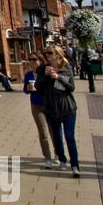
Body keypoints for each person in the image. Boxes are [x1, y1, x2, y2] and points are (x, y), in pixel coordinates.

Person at [37, 46, 80, 176]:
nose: (47, 55)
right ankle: (62, 159)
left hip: (67, 108)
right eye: (46, 53)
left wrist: (58, 77)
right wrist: (45, 76)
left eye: (50, 53)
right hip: (51, 109)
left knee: (69, 137)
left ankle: (75, 165)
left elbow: (71, 87)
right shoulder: (43, 69)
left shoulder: (66, 69)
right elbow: (38, 87)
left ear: (58, 55)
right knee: (57, 137)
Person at [24, 52, 57, 169]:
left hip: (48, 104)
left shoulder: (46, 72)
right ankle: (47, 158)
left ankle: (57, 153)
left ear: (41, 61)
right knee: (43, 132)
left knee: (53, 130)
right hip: (36, 105)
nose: (32, 63)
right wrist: (28, 89)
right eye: (30, 60)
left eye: (34, 60)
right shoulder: (28, 75)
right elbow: (25, 90)